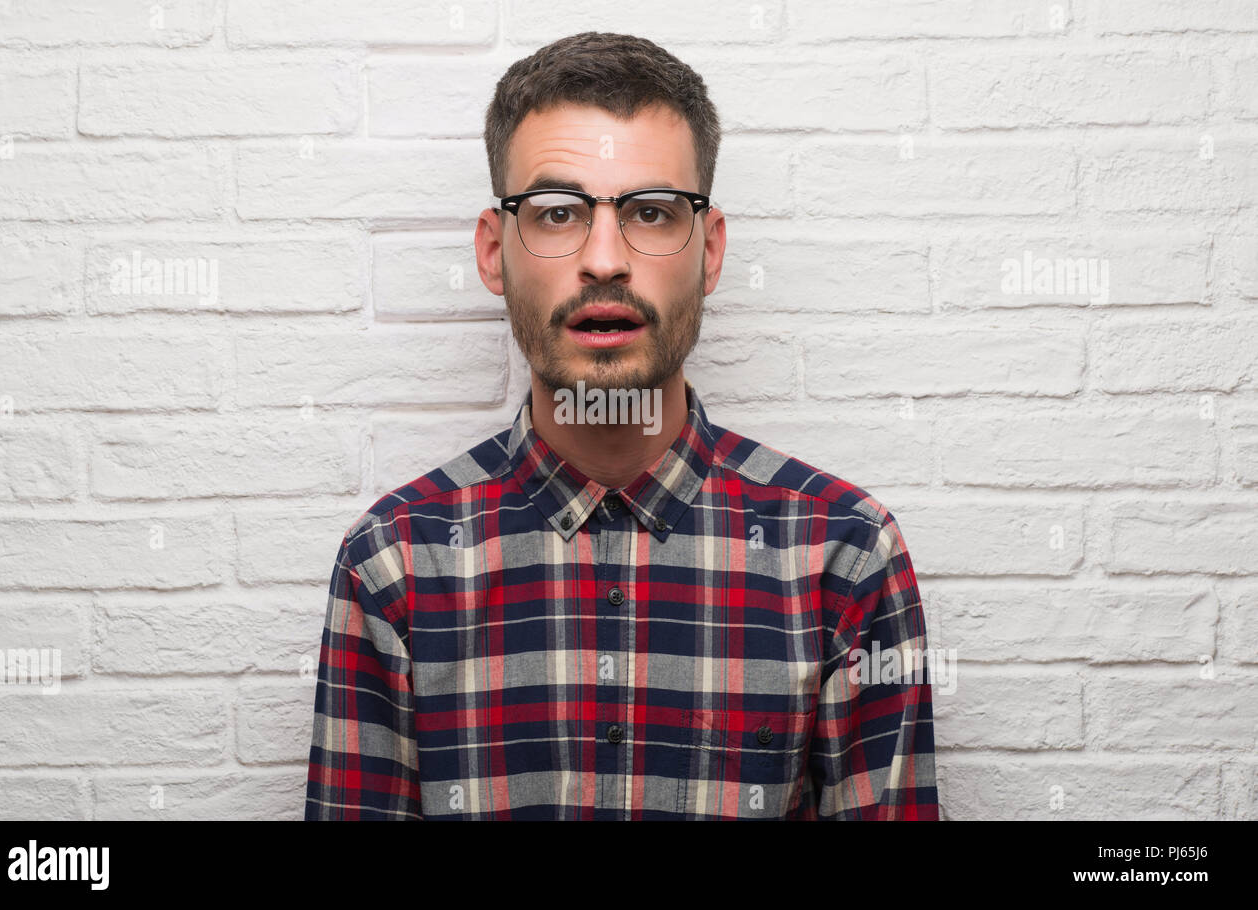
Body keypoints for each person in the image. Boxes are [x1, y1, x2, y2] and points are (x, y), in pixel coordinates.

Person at [305, 31, 939, 820]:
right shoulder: (395, 563)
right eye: (558, 212)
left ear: (709, 252)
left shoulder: (843, 556)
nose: (604, 258)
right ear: (494, 251)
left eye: (649, 212)